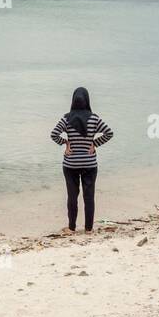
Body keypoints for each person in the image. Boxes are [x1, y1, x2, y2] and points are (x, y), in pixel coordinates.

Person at [49, 87, 113, 232]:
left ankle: (72, 227)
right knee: (89, 197)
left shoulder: (66, 118)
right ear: (88, 100)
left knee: (72, 197)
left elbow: (54, 134)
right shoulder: (94, 118)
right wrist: (94, 143)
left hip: (70, 164)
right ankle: (89, 229)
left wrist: (66, 143)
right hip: (90, 164)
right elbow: (109, 133)